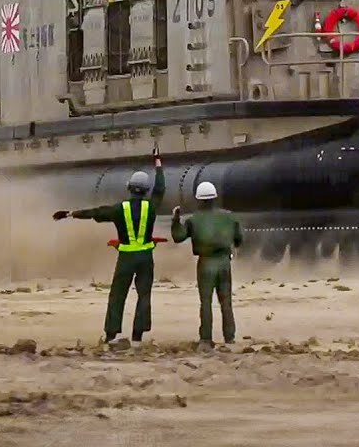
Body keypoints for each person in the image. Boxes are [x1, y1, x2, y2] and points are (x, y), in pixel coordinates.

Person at [52, 148, 165, 347]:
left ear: (129, 188)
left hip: (126, 258)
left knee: (117, 295)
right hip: (146, 257)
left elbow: (96, 212)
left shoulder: (119, 209)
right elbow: (161, 188)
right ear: (146, 189)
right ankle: (138, 337)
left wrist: (69, 213)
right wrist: (157, 161)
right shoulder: (152, 206)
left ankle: (112, 334)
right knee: (144, 295)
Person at [171, 180, 244, 348]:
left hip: (206, 263)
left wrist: (175, 220)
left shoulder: (193, 220)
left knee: (206, 301)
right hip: (225, 262)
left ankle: (205, 338)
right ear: (214, 198)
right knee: (226, 301)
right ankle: (229, 338)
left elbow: (178, 237)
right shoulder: (229, 216)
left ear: (198, 199)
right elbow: (239, 239)